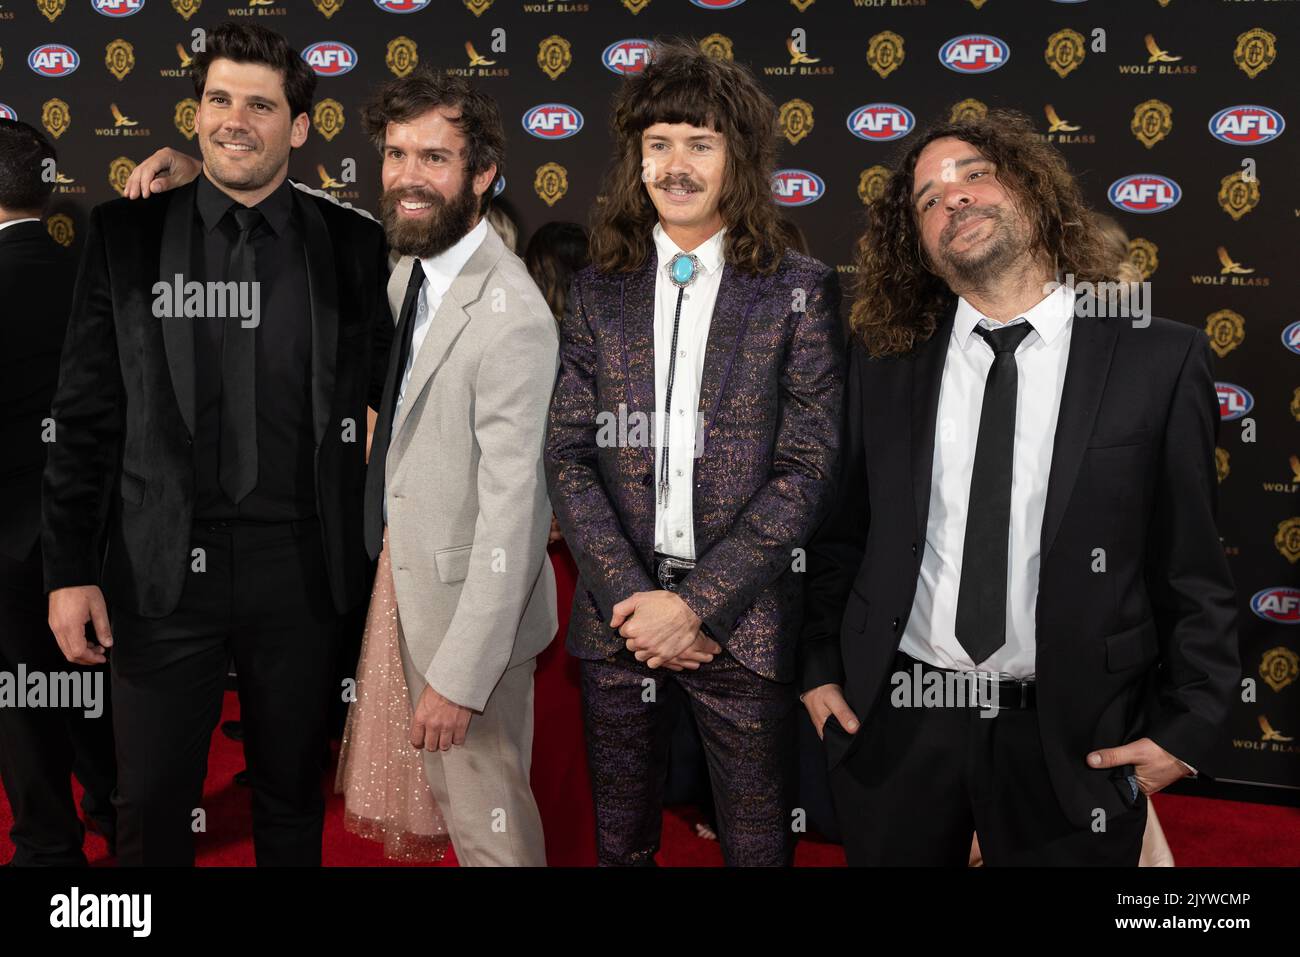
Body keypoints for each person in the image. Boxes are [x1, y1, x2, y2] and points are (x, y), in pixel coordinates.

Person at [800, 109, 1239, 866]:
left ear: (1037, 193)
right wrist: (817, 669)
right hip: (899, 719)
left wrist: (1188, 725)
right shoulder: (883, 360)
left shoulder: (1159, 359)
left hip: (1073, 731)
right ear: (922, 250)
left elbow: (1191, 563)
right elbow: (841, 530)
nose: (953, 200)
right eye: (928, 200)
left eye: (974, 174)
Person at [42, 22, 394, 866]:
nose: (236, 120)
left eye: (260, 106)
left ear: (298, 129)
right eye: (219, 100)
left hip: (304, 573)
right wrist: (69, 571)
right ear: (197, 114)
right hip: (160, 573)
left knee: (290, 800)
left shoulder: (350, 244)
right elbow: (82, 416)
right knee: (149, 808)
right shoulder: (125, 236)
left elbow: (391, 401)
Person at [544, 40, 843, 866]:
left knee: (756, 849)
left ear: (736, 160)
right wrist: (638, 601)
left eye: (700, 144)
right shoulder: (598, 290)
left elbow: (808, 469)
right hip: (620, 625)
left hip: (740, 625)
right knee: (621, 846)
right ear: (636, 159)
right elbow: (569, 453)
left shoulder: (799, 289)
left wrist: (698, 605)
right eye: (659, 144)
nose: (676, 165)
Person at [359, 70, 557, 867]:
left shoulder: (514, 318)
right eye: (396, 152)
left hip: (473, 626)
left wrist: (461, 677)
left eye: (434, 158)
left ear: (482, 175)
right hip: (410, 591)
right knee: (455, 815)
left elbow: (518, 514)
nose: (409, 175)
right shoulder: (414, 270)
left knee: (492, 833)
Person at [0, 119, 117, 866]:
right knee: (91, 680)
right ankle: (116, 805)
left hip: (7, 535)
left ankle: (47, 845)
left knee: (22, 699)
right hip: (88, 527)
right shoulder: (88, 277)